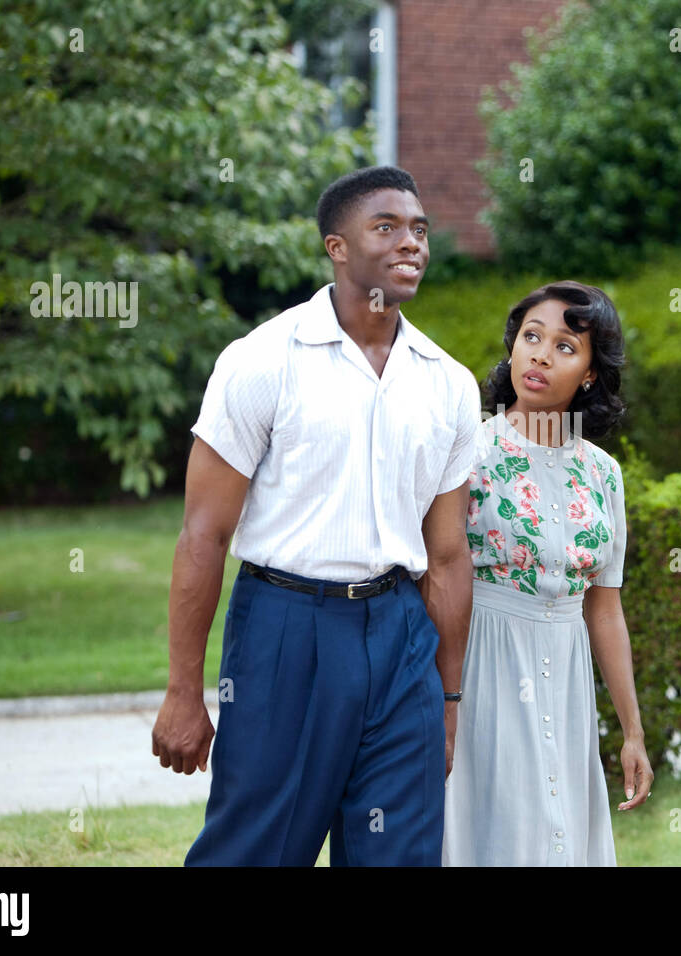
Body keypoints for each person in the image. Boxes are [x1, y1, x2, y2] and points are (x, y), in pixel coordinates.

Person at [150, 165, 482, 866]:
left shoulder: (447, 383)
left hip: (402, 640)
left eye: (419, 230)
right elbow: (203, 535)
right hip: (284, 631)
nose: (410, 244)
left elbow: (449, 556)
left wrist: (447, 699)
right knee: (256, 850)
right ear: (336, 247)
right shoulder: (262, 361)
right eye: (386, 228)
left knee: (400, 855)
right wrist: (184, 691)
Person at [441, 280, 653, 866]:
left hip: (566, 670)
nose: (540, 354)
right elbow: (437, 578)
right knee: (497, 832)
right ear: (511, 349)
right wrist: (444, 697)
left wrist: (632, 731)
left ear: (589, 372)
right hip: (484, 665)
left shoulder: (604, 474)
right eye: (531, 337)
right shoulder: (470, 455)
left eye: (565, 346)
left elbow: (605, 609)